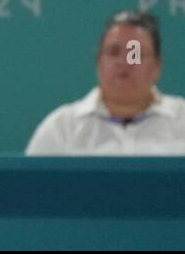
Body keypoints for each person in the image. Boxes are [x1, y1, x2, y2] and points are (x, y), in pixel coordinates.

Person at [26, 11, 185, 155]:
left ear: (157, 66)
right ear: (98, 61)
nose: (124, 62)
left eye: (135, 53)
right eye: (113, 52)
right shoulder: (62, 128)